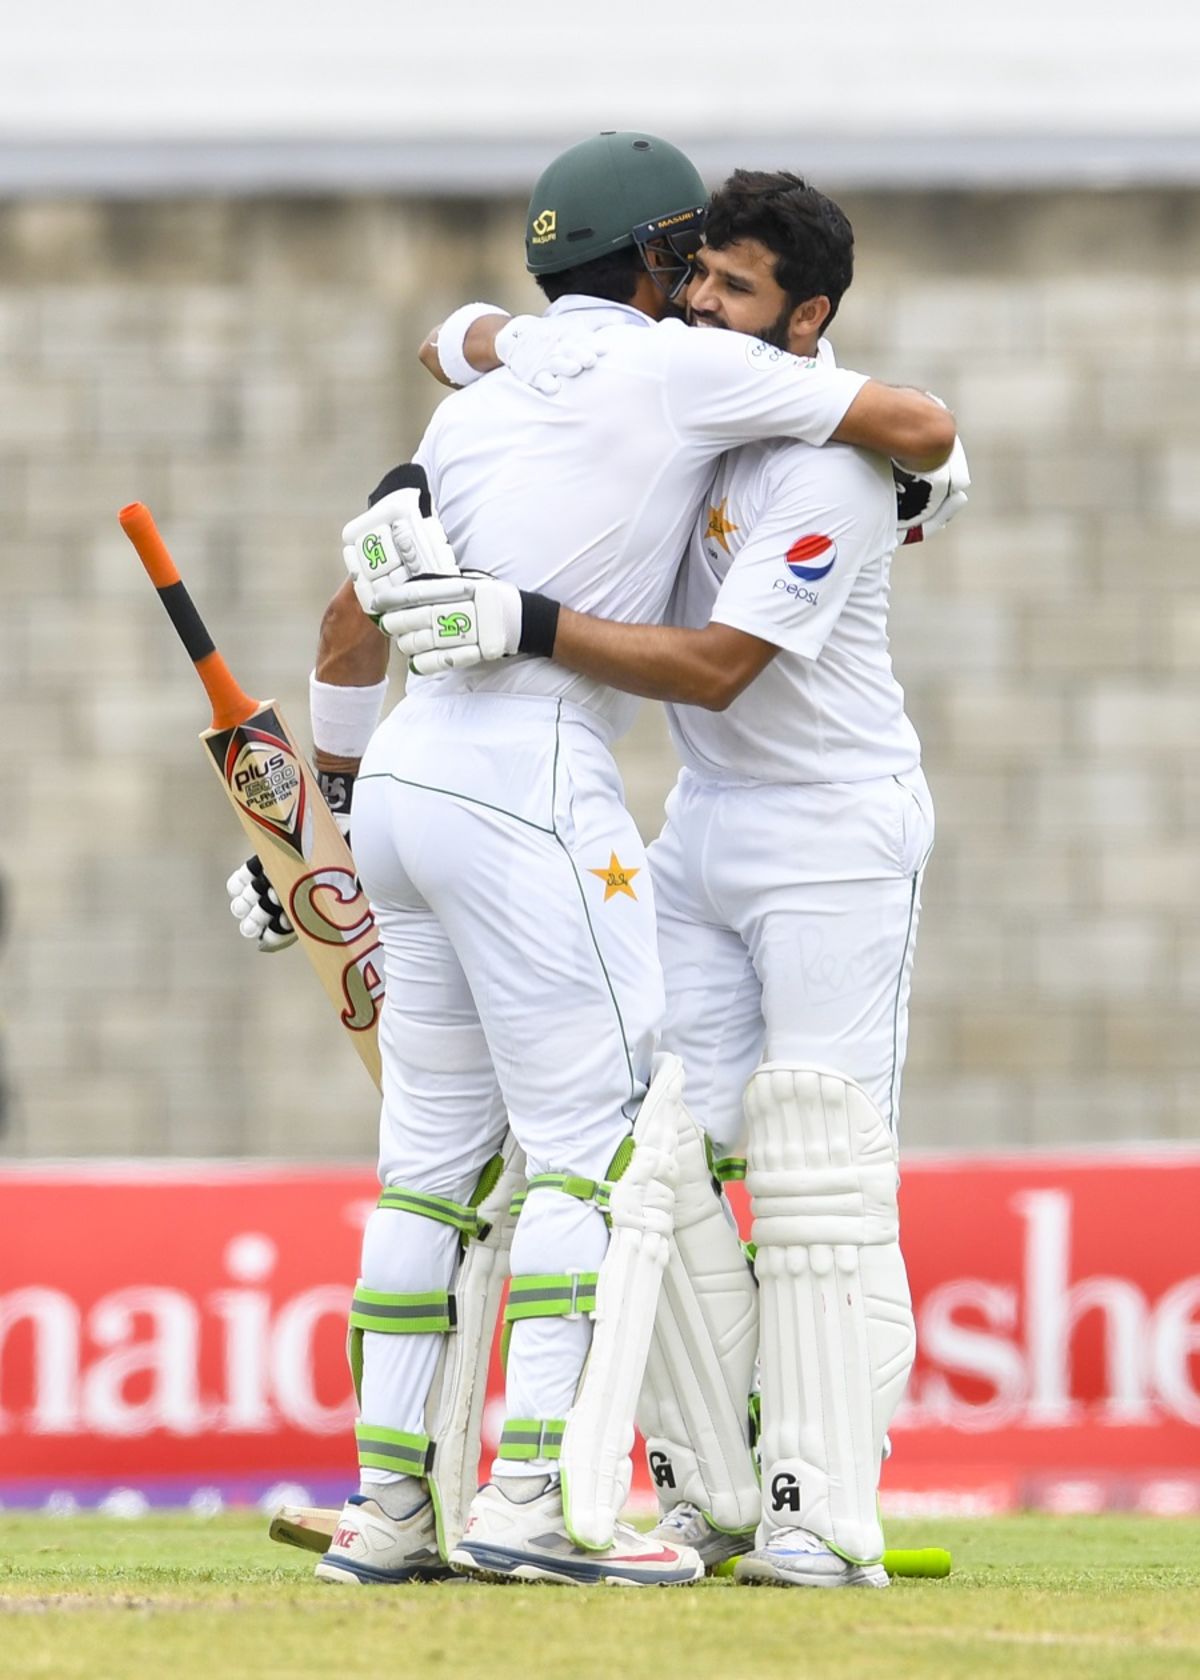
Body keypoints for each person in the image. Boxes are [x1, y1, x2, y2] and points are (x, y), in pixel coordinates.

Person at [231, 135, 955, 1588]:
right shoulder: (669, 380)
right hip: (557, 794)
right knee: (614, 1149)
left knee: (502, 1167)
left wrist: (341, 823)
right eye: (691, 271)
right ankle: (547, 1500)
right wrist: (324, 840)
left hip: (773, 824)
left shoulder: (488, 414)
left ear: (805, 316)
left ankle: (780, 1508)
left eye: (732, 284)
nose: (699, 300)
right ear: (656, 262)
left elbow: (916, 445)